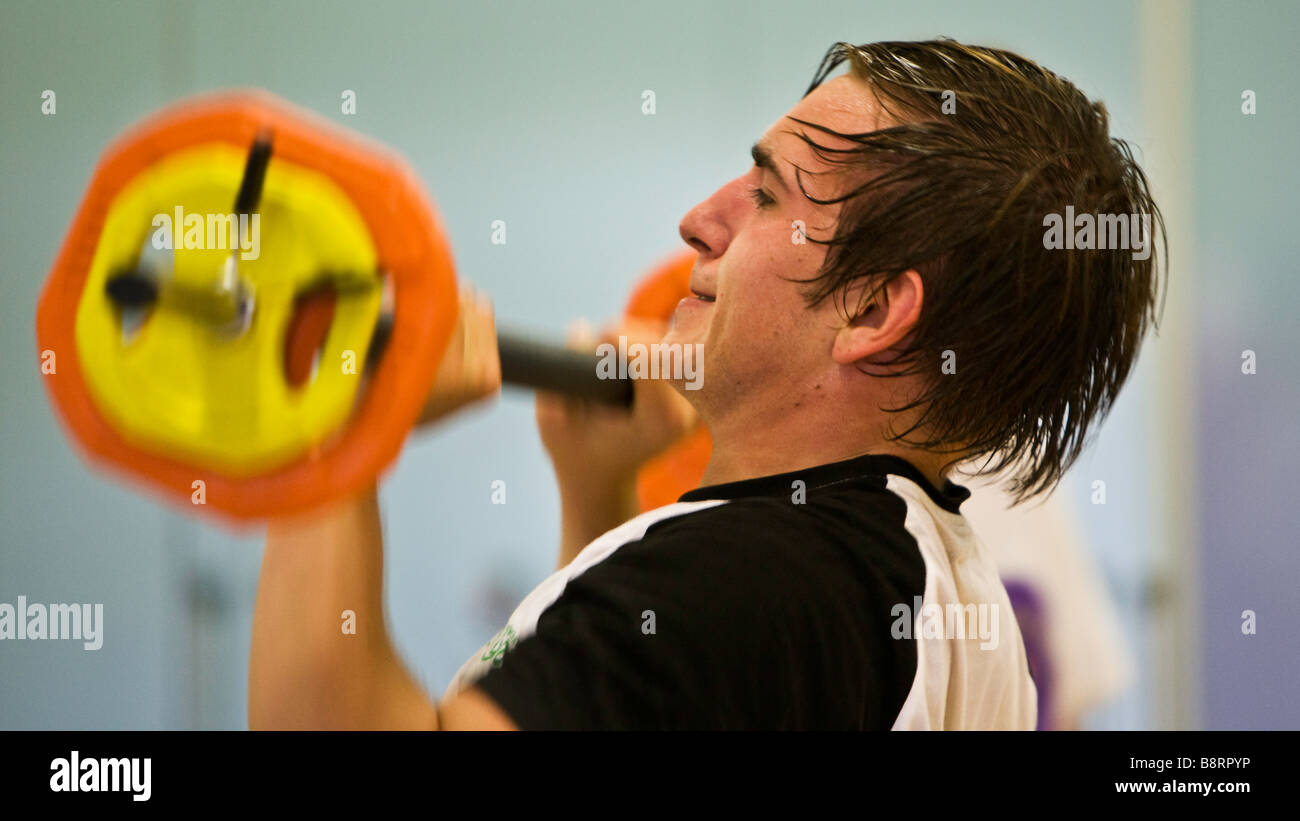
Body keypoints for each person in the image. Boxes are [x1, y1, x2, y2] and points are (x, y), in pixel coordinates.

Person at [248, 38, 1163, 730]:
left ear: (874, 308)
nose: (698, 221)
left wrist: (329, 428)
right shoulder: (921, 570)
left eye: (767, 197)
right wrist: (598, 491)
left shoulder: (753, 577)